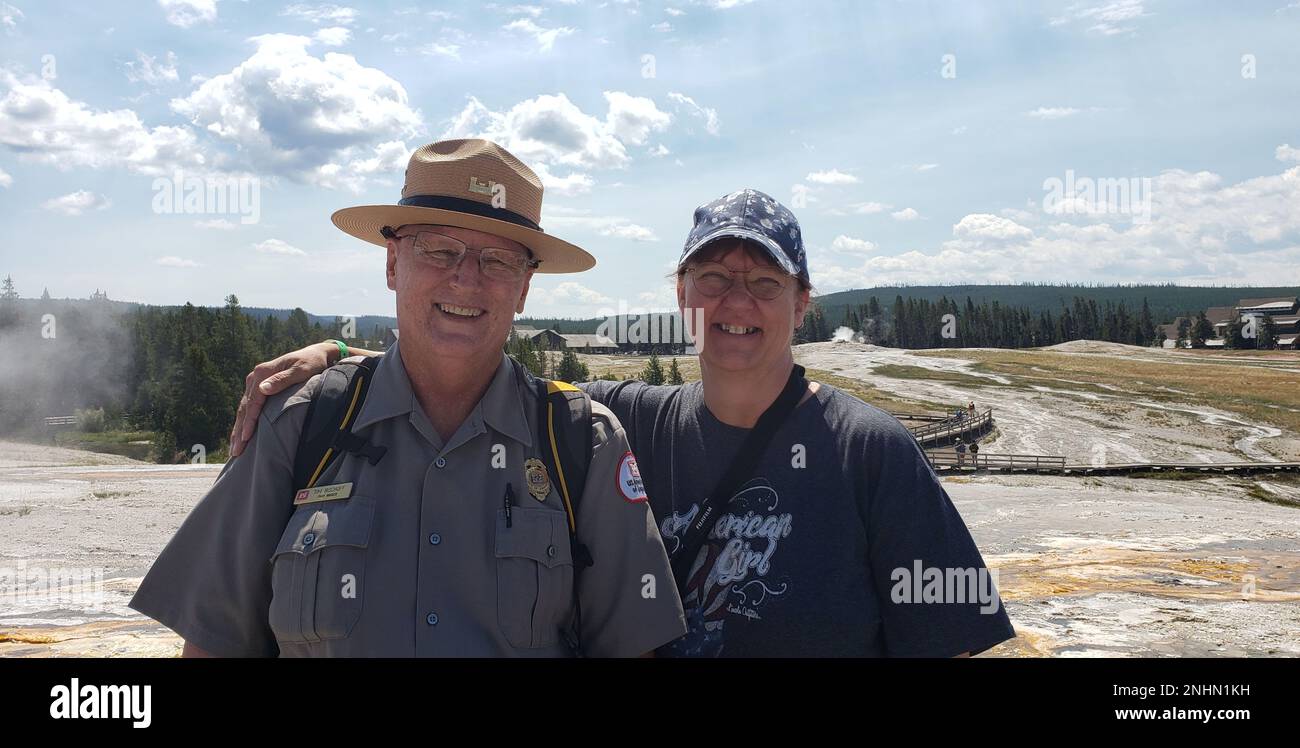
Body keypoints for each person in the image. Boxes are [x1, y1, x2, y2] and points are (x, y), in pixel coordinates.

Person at [231, 188, 1015, 657]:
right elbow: (484, 375)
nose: (734, 303)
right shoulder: (621, 420)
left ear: (803, 302)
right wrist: (344, 354)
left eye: (762, 282)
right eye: (713, 278)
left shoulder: (870, 452)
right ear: (682, 295)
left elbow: (950, 639)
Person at [129, 139, 687, 657]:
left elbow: (631, 648)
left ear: (524, 288)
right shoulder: (300, 424)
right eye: (440, 249)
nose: (466, 278)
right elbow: (214, 642)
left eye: (498, 261)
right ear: (393, 263)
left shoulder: (581, 441)